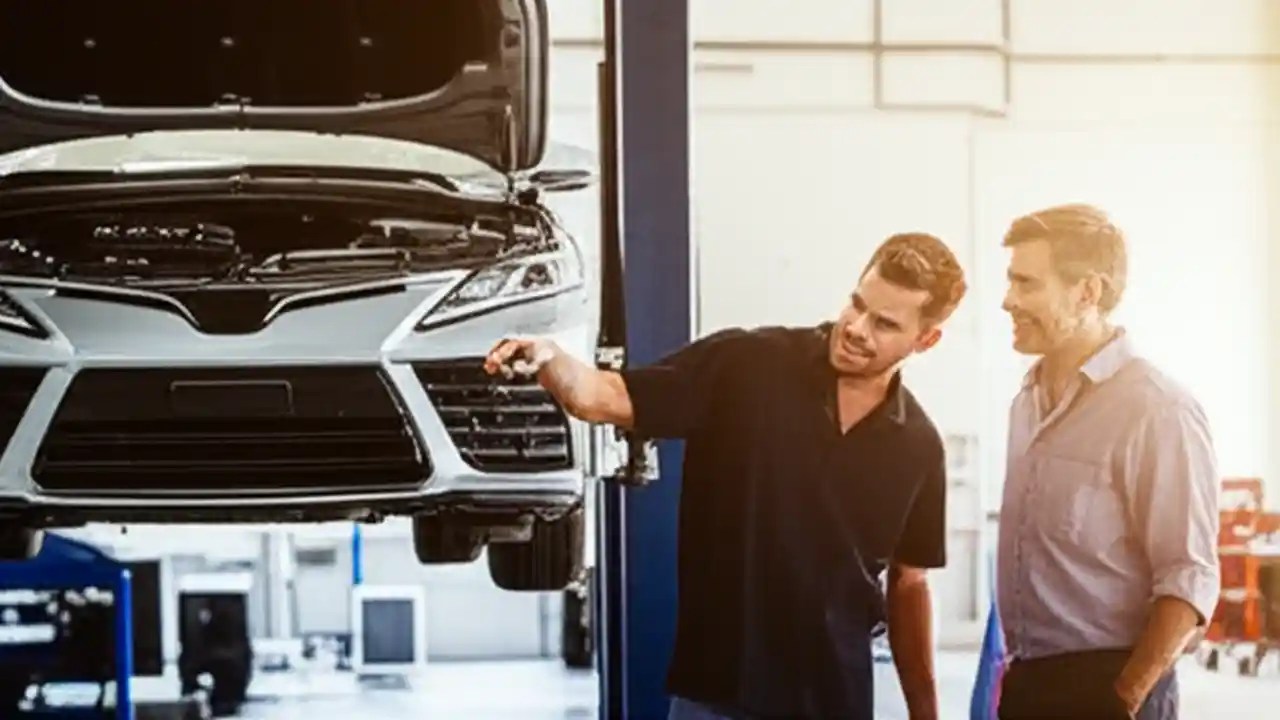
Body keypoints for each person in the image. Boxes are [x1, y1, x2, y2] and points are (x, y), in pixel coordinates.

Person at [486, 233, 968, 719]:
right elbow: (606, 396)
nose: (858, 329)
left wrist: (925, 711)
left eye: (885, 324)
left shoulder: (918, 446)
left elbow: (909, 584)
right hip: (717, 694)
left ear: (925, 340)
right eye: (857, 304)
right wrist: (551, 358)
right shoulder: (747, 364)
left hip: (834, 697)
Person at [993, 203, 1221, 720]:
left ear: (1087, 292)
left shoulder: (1157, 409)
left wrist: (1123, 697)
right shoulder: (1026, 402)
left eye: (1027, 283)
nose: (1008, 300)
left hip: (1115, 686)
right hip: (1028, 683)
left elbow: (1189, 576)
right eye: (1010, 281)